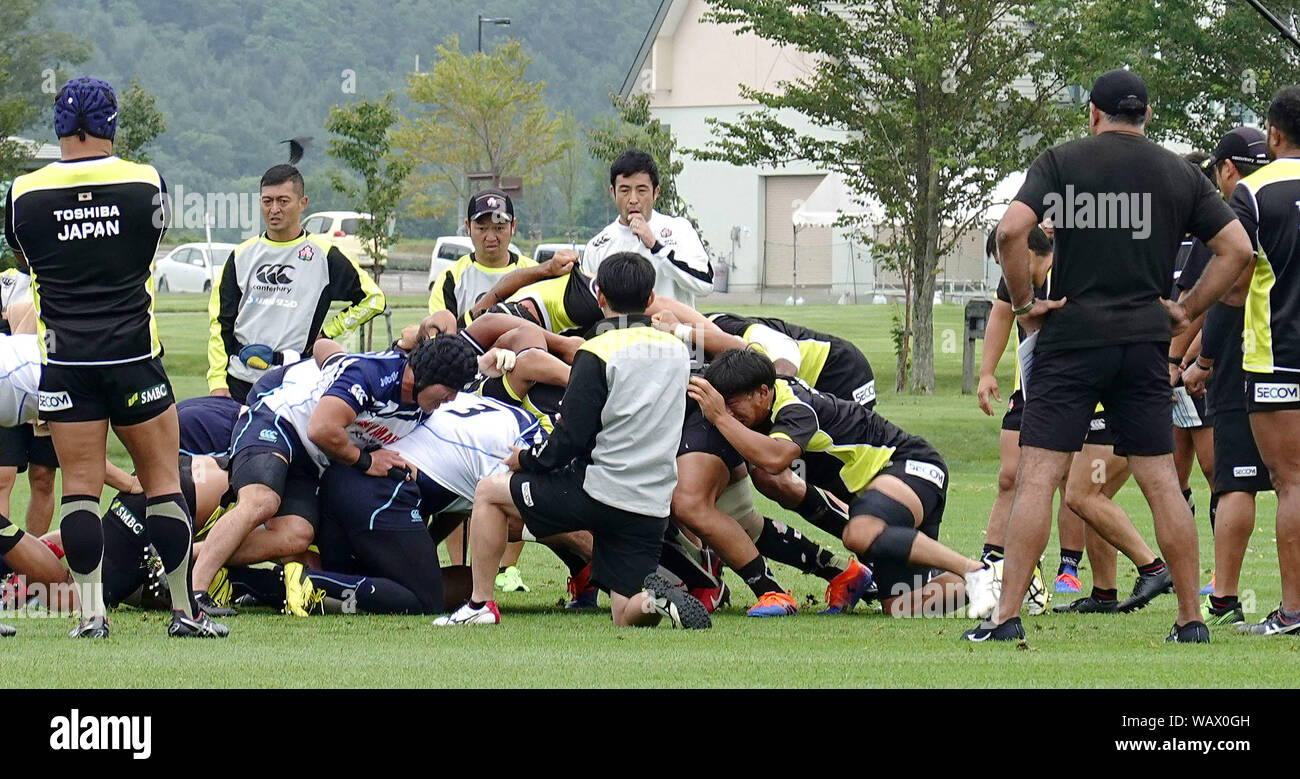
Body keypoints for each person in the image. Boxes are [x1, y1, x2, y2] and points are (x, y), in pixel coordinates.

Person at [967, 69, 1253, 643]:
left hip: (1071, 342)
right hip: (1145, 346)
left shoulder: (1062, 161)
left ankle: (1005, 619)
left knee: (1039, 479)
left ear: (1093, 114)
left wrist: (1025, 302)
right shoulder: (1179, 172)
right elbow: (1237, 250)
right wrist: (1185, 309)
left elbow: (1010, 233)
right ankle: (1191, 621)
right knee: (1161, 483)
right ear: (1146, 116)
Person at [3, 77, 227, 638]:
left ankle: (91, 617)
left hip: (66, 361)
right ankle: (184, 611)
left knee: (78, 485)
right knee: (160, 484)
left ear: (59, 126)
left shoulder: (23, 192)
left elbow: (26, 259)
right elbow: (146, 246)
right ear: (110, 124)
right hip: (133, 355)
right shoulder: (144, 181)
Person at [436, 252, 710, 628]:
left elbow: (571, 437)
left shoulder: (595, 351)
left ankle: (481, 604)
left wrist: (526, 461)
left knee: (488, 492)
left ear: (599, 298)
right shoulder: (678, 352)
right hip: (652, 503)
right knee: (624, 612)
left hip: (598, 491)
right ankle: (655, 601)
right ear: (651, 299)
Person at [693, 348, 1002, 618]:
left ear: (762, 392)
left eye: (734, 405)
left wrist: (721, 417)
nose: (730, 414)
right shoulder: (763, 403)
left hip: (910, 465)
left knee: (859, 532)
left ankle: (975, 570)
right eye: (725, 406)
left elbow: (775, 458)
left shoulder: (794, 407)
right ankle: (1007, 579)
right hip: (879, 491)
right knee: (900, 605)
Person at [189, 336, 478, 599]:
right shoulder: (374, 377)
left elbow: (324, 347)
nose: (451, 398)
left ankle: (182, 559)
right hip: (277, 423)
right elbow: (320, 428)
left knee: (296, 535)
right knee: (261, 501)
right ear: (424, 374)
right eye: (448, 389)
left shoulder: (423, 403)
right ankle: (197, 593)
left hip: (311, 461)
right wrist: (365, 461)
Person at [1180, 126, 1271, 627]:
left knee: (1235, 479)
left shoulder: (1242, 209)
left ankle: (1225, 596)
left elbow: (1227, 294)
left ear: (1227, 170)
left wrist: (1200, 361)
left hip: (1253, 357)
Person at [1221, 87, 1300, 636]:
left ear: (1272, 135)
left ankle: (1293, 611)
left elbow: (1235, 276)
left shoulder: (1250, 193)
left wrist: (1190, 319)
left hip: (1278, 358)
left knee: (1291, 482)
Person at [206, 164, 385, 404]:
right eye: (267, 201)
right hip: (239, 383)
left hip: (294, 382)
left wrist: (329, 332)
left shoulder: (324, 255)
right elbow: (220, 323)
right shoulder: (241, 256)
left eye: (283, 201)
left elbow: (374, 300)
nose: (274, 209)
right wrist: (217, 382)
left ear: (303, 203)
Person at [976, 225, 1077, 603]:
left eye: (1005, 263)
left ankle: (1068, 567)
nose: (1005, 273)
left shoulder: (1071, 269)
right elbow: (1001, 316)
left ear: (1028, 252)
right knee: (1009, 476)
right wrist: (987, 373)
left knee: (1071, 484)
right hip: (1030, 390)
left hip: (1078, 392)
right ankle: (993, 561)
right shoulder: (1016, 279)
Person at [582, 149, 713, 307]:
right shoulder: (598, 246)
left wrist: (656, 246)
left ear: (656, 192)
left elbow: (705, 285)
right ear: (613, 192)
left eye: (641, 190)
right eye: (624, 190)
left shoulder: (680, 229)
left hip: (671, 330)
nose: (633, 199)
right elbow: (590, 304)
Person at [425, 189, 540, 335]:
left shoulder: (534, 273)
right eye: (482, 228)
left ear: (513, 226)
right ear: (468, 227)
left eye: (499, 228)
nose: (491, 237)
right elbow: (440, 341)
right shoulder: (450, 279)